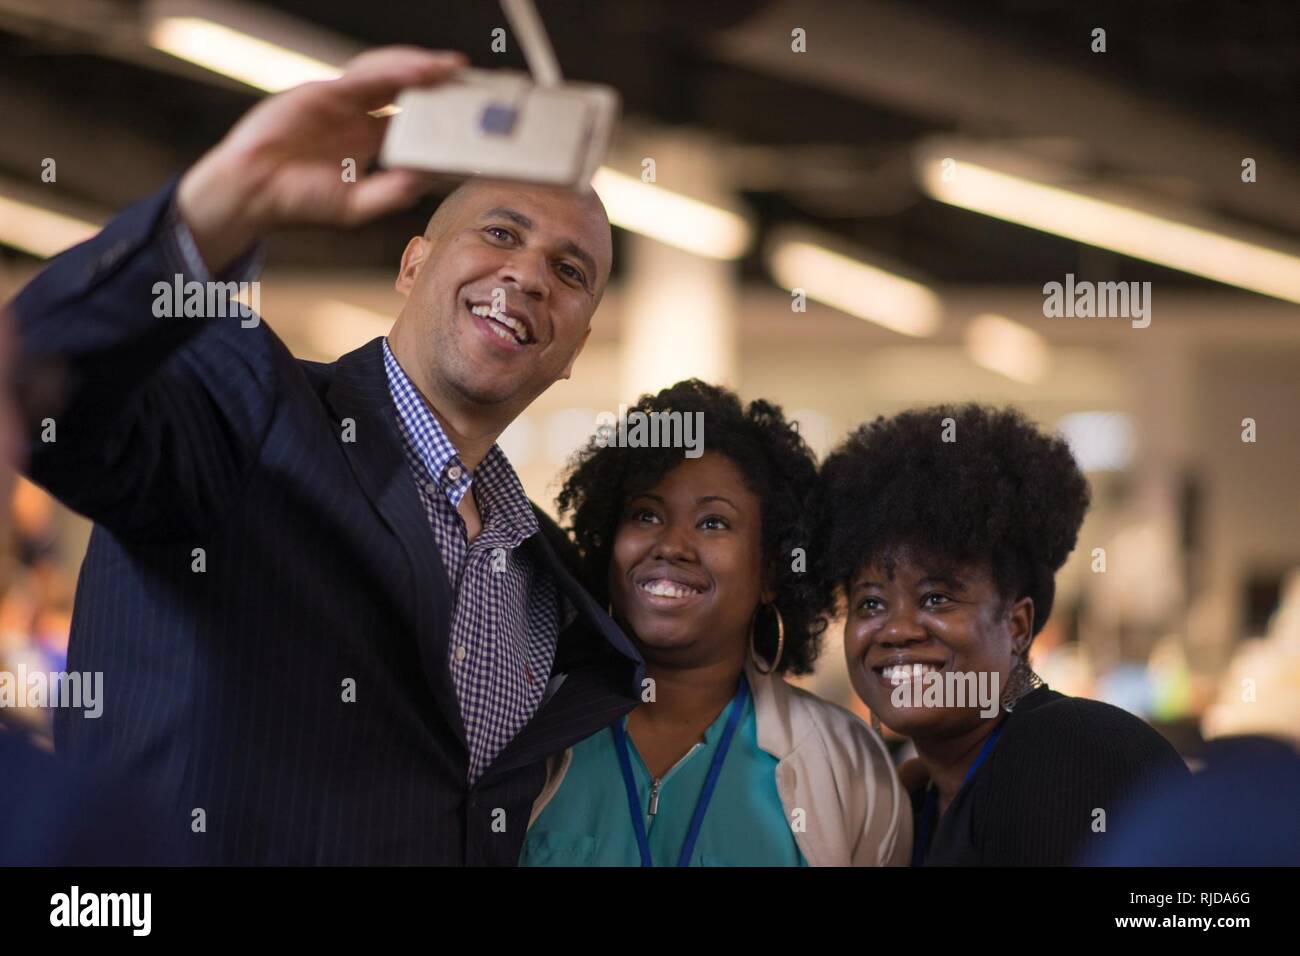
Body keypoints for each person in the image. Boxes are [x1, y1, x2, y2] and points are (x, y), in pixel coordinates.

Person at [6, 47, 642, 865]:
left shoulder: (549, 585)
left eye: (570, 269)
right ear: (414, 264)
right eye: (499, 232)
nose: (527, 275)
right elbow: (45, 372)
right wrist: (224, 201)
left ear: (577, 347)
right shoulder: (246, 407)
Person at [520, 381, 909, 866]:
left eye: (713, 523)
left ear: (770, 570)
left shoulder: (847, 762)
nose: (672, 544)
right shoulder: (530, 726)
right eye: (645, 515)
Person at [813, 403, 1187, 866]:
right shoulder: (914, 804)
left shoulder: (1075, 753)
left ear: (1017, 624)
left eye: (936, 598)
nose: (897, 630)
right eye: (870, 603)